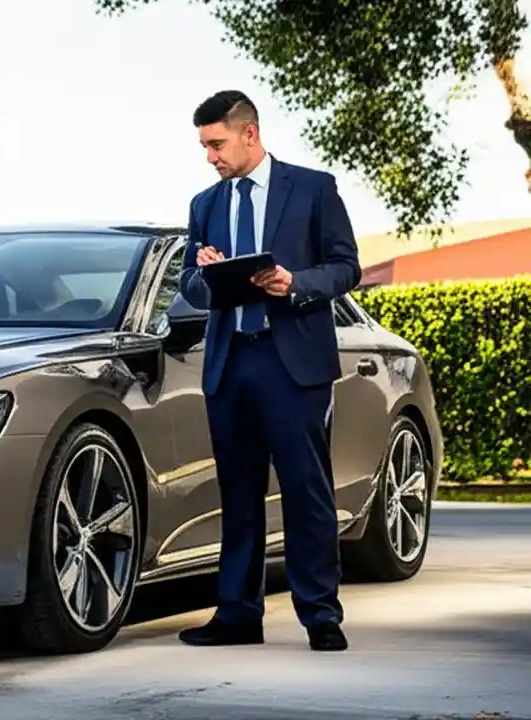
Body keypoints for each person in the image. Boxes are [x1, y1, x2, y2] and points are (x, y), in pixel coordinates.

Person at [176, 90, 361, 652]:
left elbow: (346, 266)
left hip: (293, 363)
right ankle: (237, 615)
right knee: (237, 492)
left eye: (217, 144)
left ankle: (321, 616)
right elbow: (188, 284)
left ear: (249, 134)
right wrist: (206, 276)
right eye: (204, 146)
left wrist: (295, 284)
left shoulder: (312, 188)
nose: (210, 156)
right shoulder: (205, 205)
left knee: (307, 491)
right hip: (231, 364)